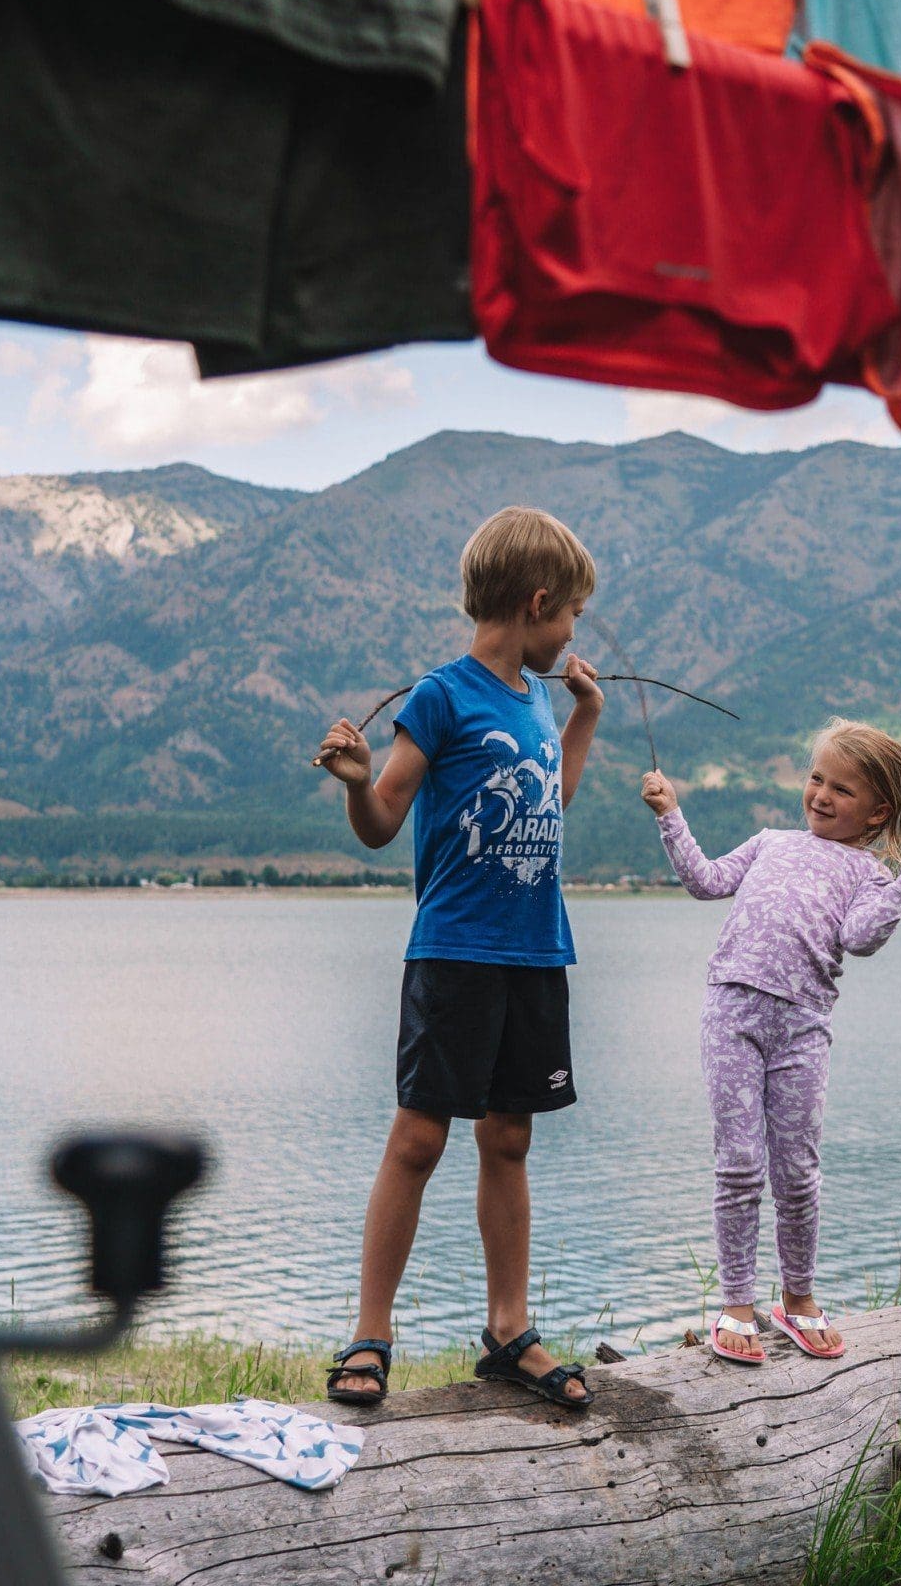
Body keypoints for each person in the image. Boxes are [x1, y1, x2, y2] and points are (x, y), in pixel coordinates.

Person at [313, 506, 604, 1411]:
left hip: (536, 953)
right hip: (457, 954)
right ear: (539, 601)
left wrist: (585, 714)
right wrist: (358, 783)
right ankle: (370, 1334)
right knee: (419, 1139)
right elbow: (381, 822)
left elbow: (551, 799)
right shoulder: (441, 697)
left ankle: (508, 1330)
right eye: (573, 615)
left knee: (508, 1138)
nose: (574, 635)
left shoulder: (536, 699)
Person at [639, 721, 901, 1366]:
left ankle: (797, 1298)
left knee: (797, 1173)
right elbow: (705, 880)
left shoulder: (872, 872)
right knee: (740, 1164)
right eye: (817, 778)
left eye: (842, 789)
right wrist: (671, 814)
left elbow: (860, 938)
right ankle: (736, 1304)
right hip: (732, 1010)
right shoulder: (771, 842)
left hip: (803, 1027)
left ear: (877, 812)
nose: (821, 795)